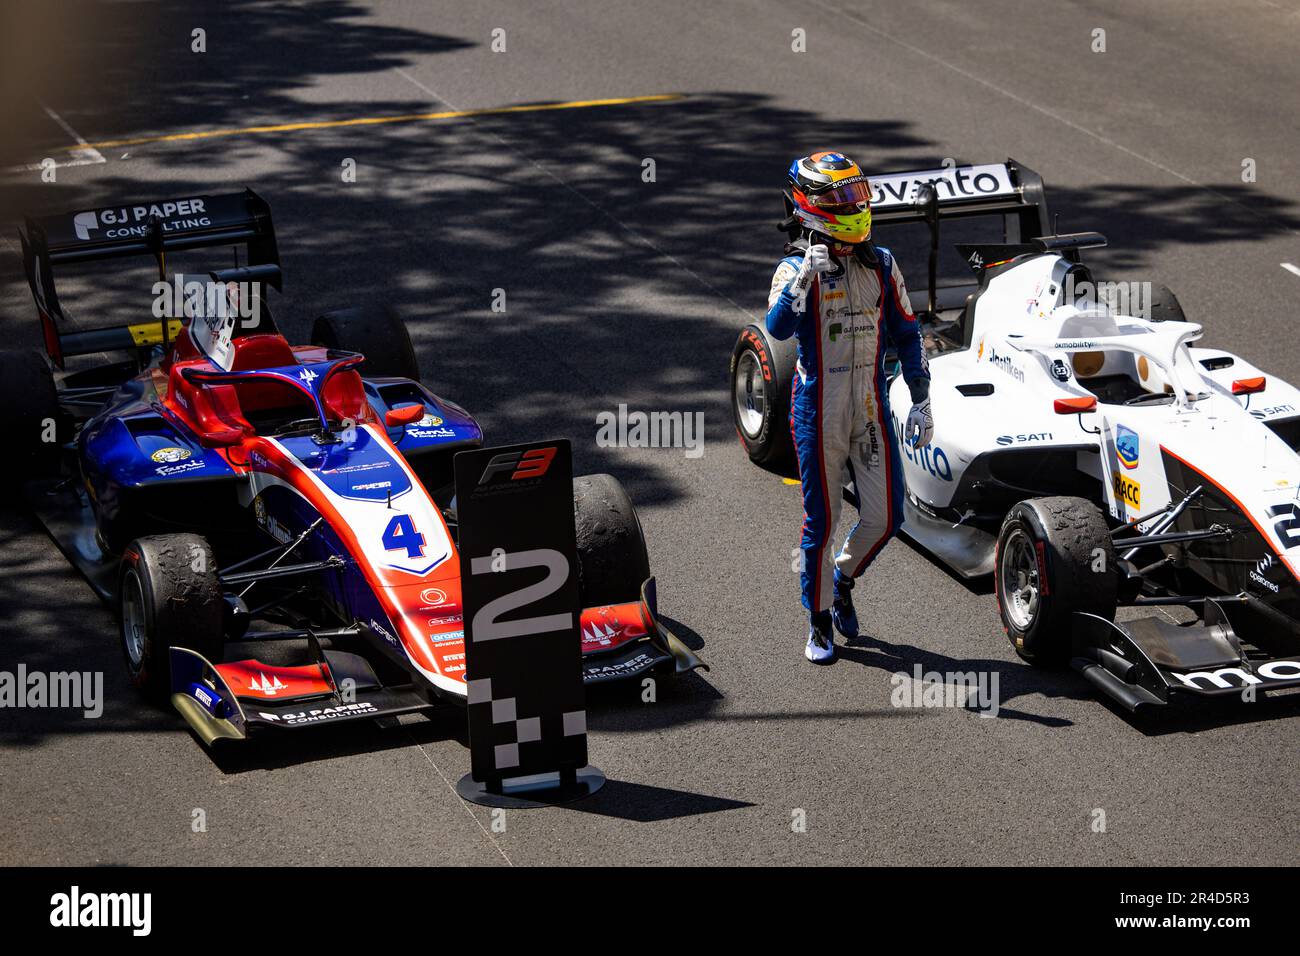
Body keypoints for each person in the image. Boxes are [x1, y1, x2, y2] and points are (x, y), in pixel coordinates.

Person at [765, 151, 933, 663]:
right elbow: (776, 329)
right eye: (840, 198)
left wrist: (922, 399)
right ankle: (817, 621)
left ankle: (841, 580)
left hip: (871, 407)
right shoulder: (794, 267)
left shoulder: (881, 263)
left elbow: (908, 333)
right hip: (817, 411)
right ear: (808, 206)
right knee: (823, 519)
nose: (853, 205)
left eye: (856, 194)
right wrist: (803, 282)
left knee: (887, 517)